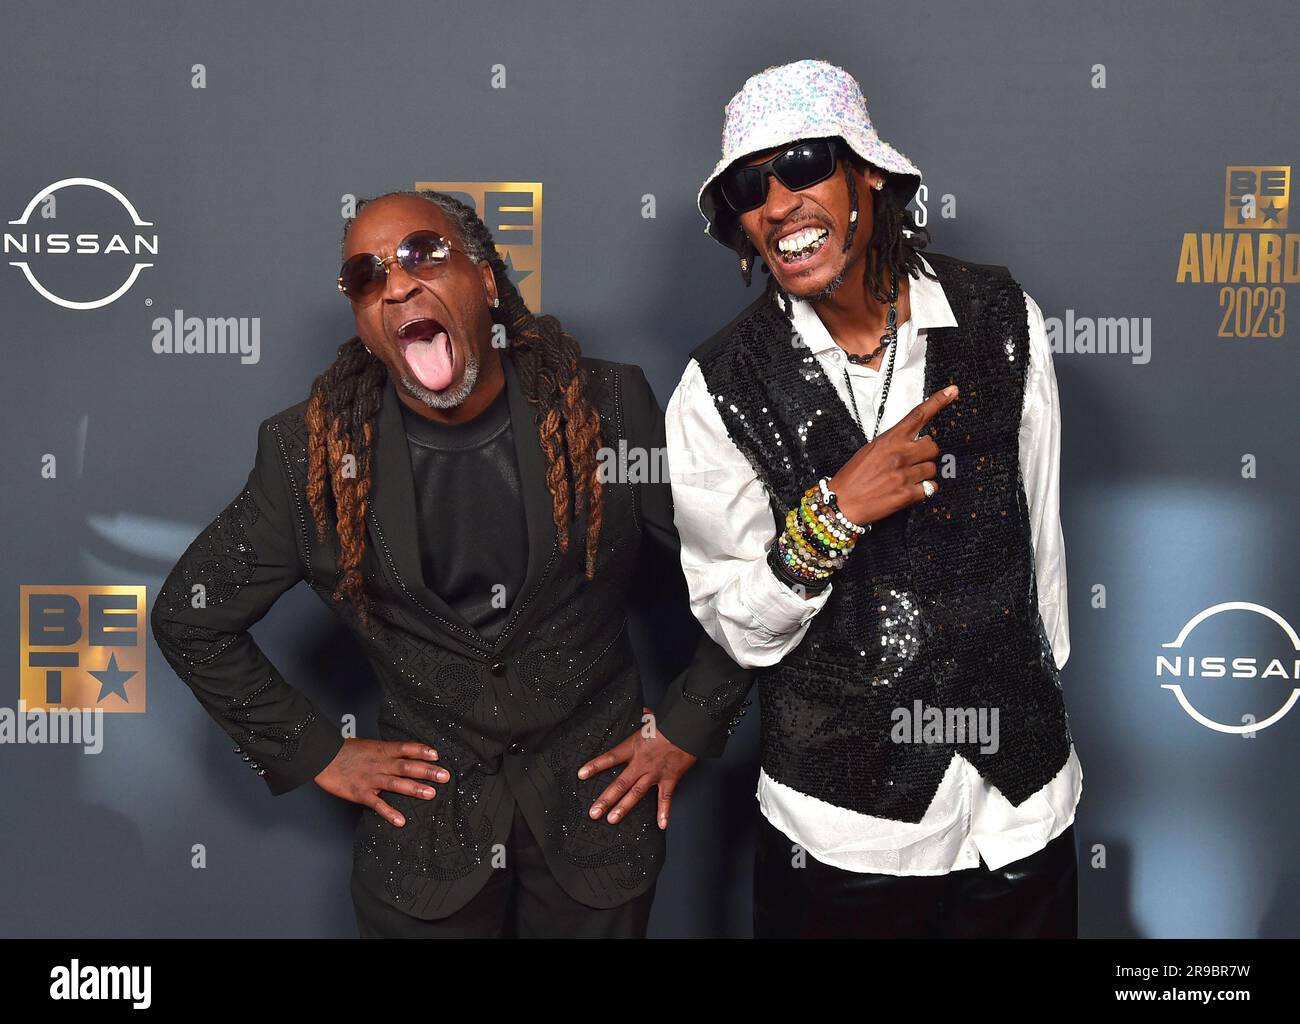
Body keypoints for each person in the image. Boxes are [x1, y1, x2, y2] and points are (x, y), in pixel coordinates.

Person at [150, 189, 751, 939]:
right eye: (367, 277)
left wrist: (692, 723)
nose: (397, 284)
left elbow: (746, 574)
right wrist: (316, 750)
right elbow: (189, 615)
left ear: (488, 280)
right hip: (424, 852)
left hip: (597, 833)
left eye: (422, 254)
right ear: (365, 322)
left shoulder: (608, 408)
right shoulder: (306, 456)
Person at [665, 59, 1081, 938]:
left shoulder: (1003, 317)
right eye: (750, 184)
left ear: (870, 178)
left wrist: (1032, 710)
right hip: (843, 835)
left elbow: (1042, 551)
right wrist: (831, 516)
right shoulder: (716, 388)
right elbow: (735, 622)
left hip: (1022, 809)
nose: (779, 202)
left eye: (807, 163)